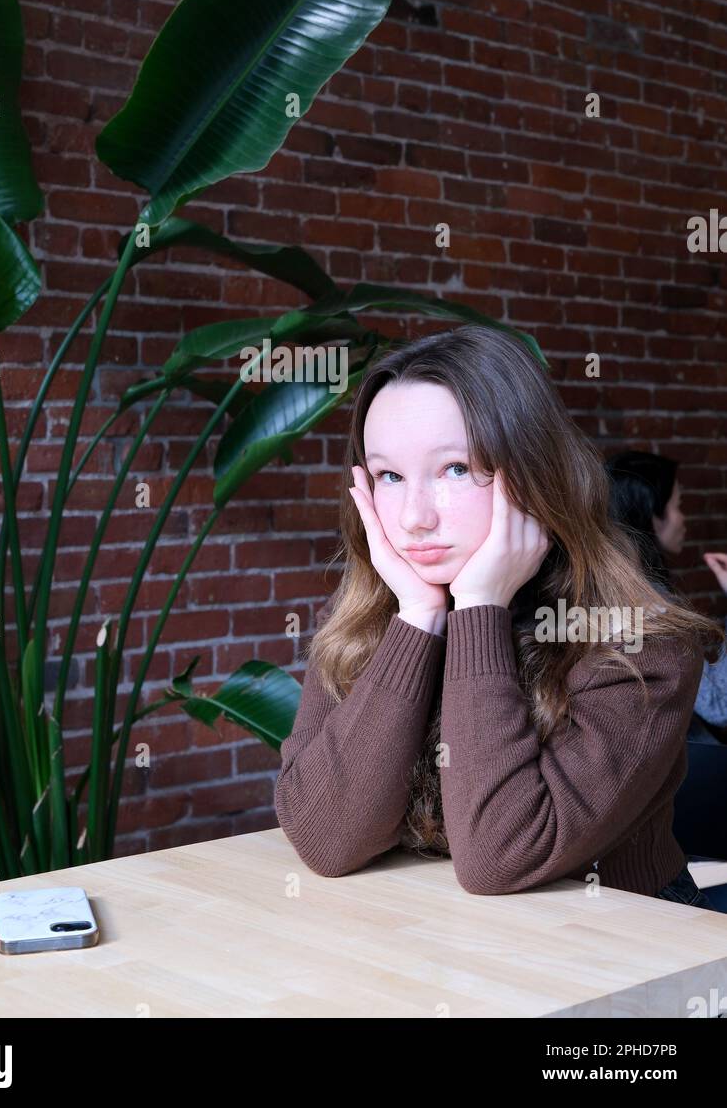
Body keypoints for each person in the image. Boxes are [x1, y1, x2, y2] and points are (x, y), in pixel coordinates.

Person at [274, 325, 723, 911]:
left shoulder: (640, 644)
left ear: (534, 471)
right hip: (441, 949)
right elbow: (326, 839)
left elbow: (500, 855)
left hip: (616, 960)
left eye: (456, 468)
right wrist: (418, 619)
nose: (414, 517)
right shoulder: (372, 620)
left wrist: (480, 609)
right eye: (389, 476)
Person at [604, 450, 727, 910]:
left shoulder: (597, 596)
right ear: (648, 515)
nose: (683, 518)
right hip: (681, 805)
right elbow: (720, 705)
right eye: (676, 504)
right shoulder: (652, 608)